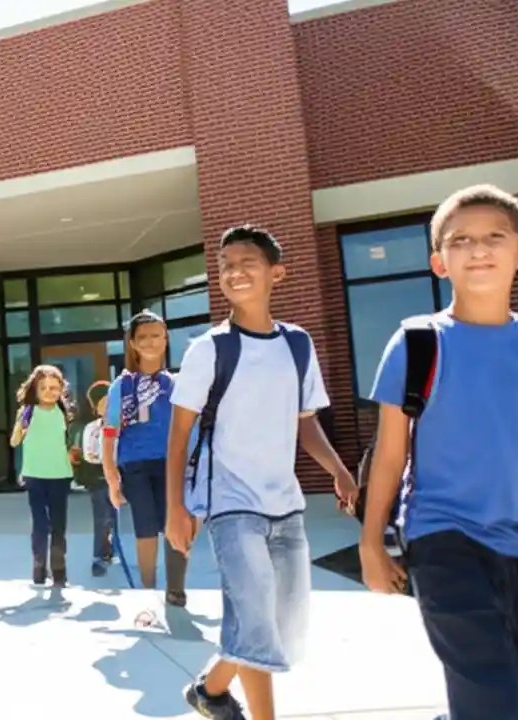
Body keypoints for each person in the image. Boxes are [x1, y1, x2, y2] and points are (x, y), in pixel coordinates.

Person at [359, 184, 518, 720]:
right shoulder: (416, 343)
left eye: (495, 237)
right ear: (438, 262)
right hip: (443, 539)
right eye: (461, 240)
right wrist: (371, 543)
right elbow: (389, 455)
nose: (479, 249)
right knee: (494, 699)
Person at [166, 225, 357, 720]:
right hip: (231, 506)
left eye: (247, 261)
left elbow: (305, 421)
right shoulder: (209, 349)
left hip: (285, 506)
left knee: (279, 628)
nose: (233, 271)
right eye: (225, 263)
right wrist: (176, 508)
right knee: (254, 623)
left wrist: (338, 469)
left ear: (277, 273)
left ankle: (210, 691)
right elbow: (179, 433)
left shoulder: (297, 345)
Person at [102, 310, 188, 605]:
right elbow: (109, 433)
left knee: (175, 522)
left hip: (171, 463)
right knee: (145, 526)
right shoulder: (122, 386)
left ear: (166, 340)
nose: (150, 342)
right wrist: (111, 475)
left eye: (156, 335)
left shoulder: (176, 384)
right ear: (133, 344)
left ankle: (175, 589)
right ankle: (148, 589)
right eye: (143, 337)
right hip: (134, 464)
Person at [10, 364, 77, 587]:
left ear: (61, 389)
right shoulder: (27, 411)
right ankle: (39, 566)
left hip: (60, 475)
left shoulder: (63, 413)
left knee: (59, 525)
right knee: (40, 524)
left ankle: (59, 571)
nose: (49, 392)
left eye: (54, 387)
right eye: (44, 387)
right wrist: (21, 427)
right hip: (35, 476)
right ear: (35, 389)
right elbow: (14, 441)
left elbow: (67, 442)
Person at [78, 381, 116, 577]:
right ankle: (99, 556)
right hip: (99, 477)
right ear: (95, 407)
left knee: (115, 517)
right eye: (102, 403)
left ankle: (113, 549)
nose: (107, 407)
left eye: (110, 402)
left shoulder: (122, 425)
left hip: (118, 477)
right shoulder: (91, 429)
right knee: (101, 517)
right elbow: (89, 454)